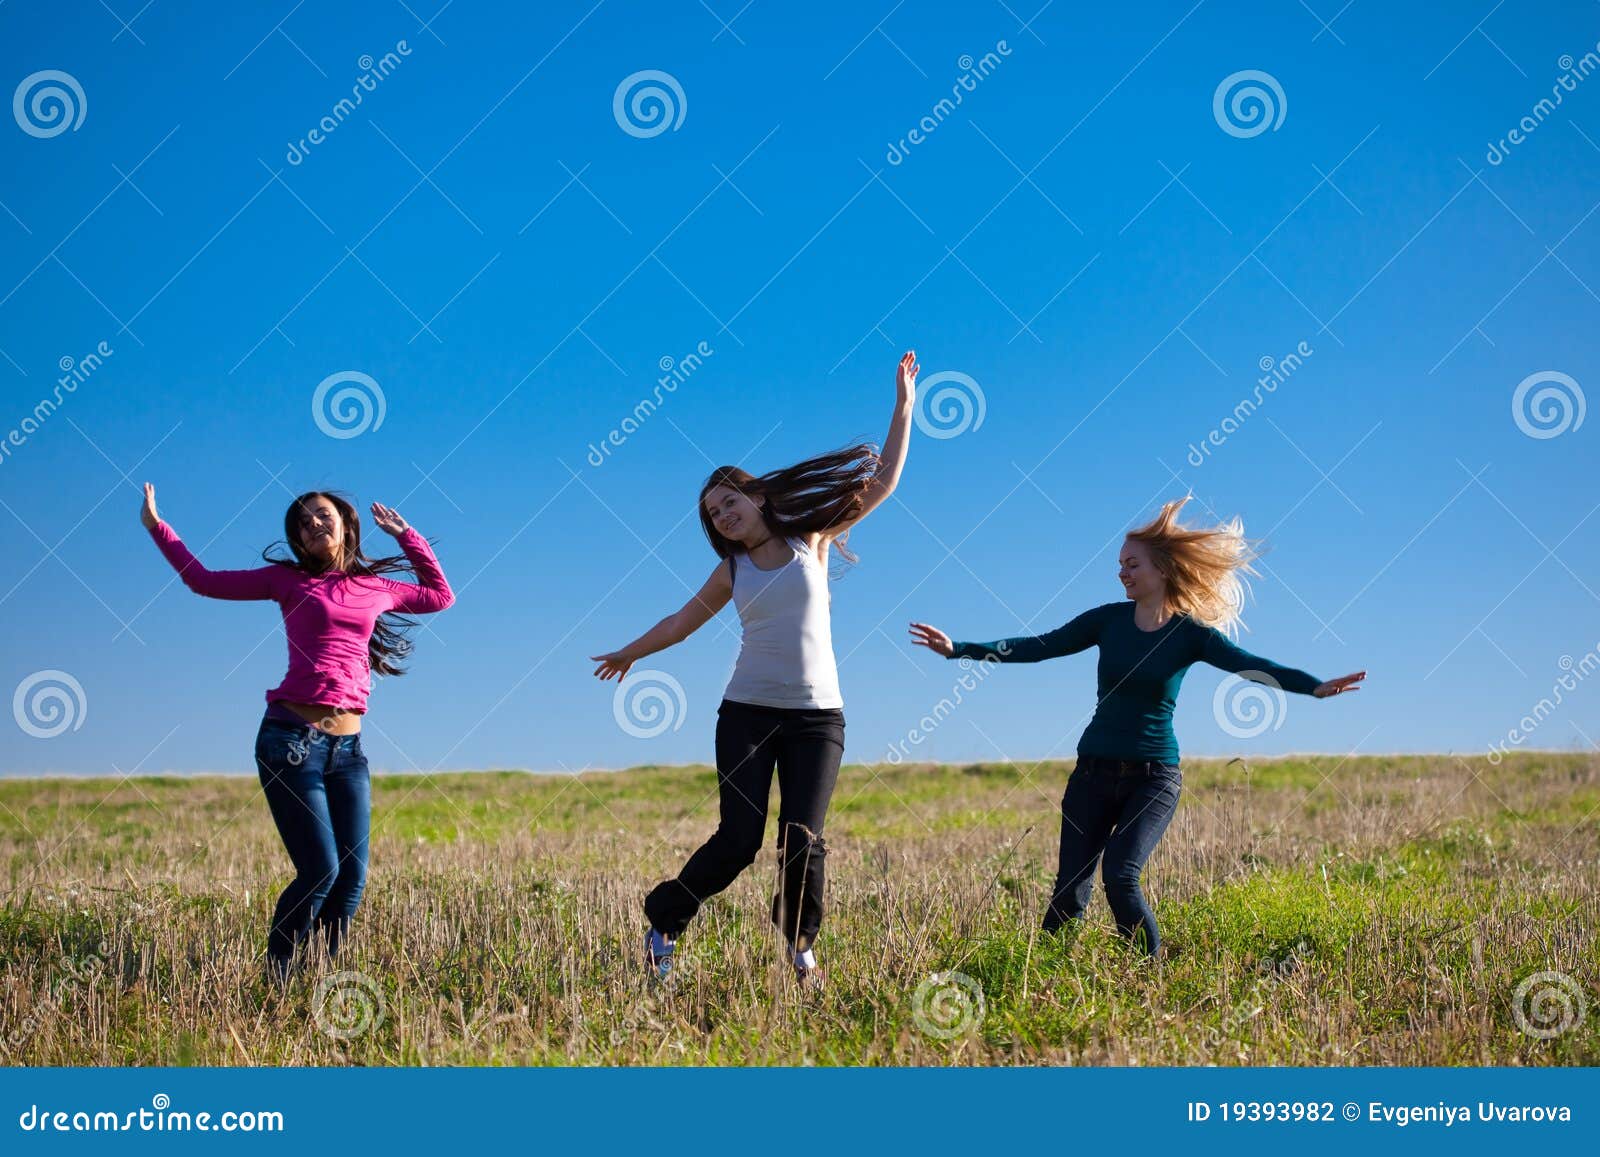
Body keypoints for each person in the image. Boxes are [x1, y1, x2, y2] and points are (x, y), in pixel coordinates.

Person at [909, 498, 1363, 957]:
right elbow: (1041, 646)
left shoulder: (1191, 636)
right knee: (1070, 888)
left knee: (1121, 877)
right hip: (1093, 773)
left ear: (1162, 569)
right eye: (1119, 565)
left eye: (1132, 564)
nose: (1122, 573)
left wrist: (1314, 687)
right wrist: (960, 648)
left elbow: (1252, 666)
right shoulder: (1107, 621)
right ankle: (1038, 974)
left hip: (1153, 778)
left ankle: (1149, 975)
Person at [592, 351, 920, 986]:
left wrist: (902, 408)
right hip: (745, 716)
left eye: (728, 502)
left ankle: (800, 949)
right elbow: (680, 622)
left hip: (818, 718)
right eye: (713, 514)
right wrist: (631, 651)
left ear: (755, 494)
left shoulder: (811, 540)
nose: (722, 516)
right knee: (740, 840)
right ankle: (663, 923)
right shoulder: (732, 571)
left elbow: (880, 487)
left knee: (803, 839)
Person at [140, 483, 455, 980]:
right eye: (303, 523)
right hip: (290, 741)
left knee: (351, 877)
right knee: (321, 871)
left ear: (345, 524)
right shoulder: (287, 581)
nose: (313, 525)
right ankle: (277, 976)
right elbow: (202, 580)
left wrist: (406, 536)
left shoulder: (376, 589)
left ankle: (317, 976)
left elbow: (440, 596)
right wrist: (159, 528)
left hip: (348, 750)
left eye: (321, 516)